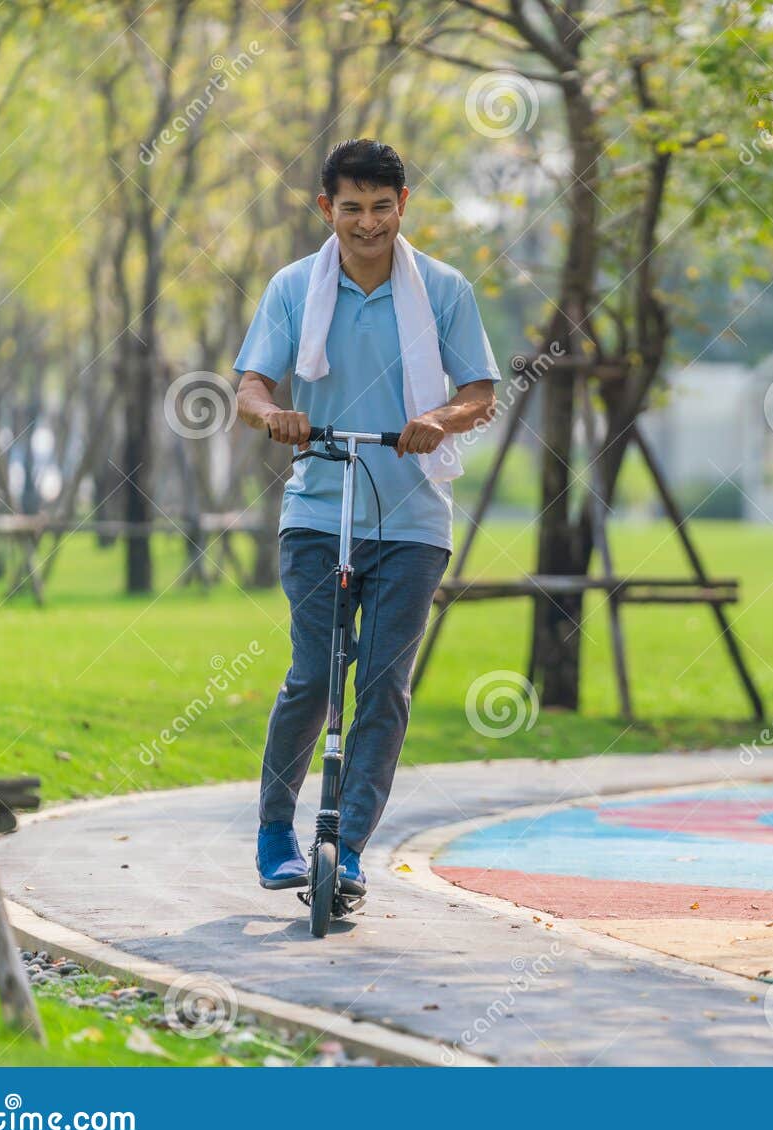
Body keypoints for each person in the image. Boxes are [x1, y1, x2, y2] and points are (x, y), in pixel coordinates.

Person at [233, 139, 498, 894]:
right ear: (328, 210)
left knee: (382, 683)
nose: (369, 223)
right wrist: (273, 413)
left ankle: (345, 847)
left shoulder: (442, 289)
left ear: (403, 207)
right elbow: (250, 383)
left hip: (411, 520)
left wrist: (440, 418)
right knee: (314, 676)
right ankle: (277, 825)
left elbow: (482, 391)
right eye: (352, 207)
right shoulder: (294, 287)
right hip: (318, 509)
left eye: (383, 207)